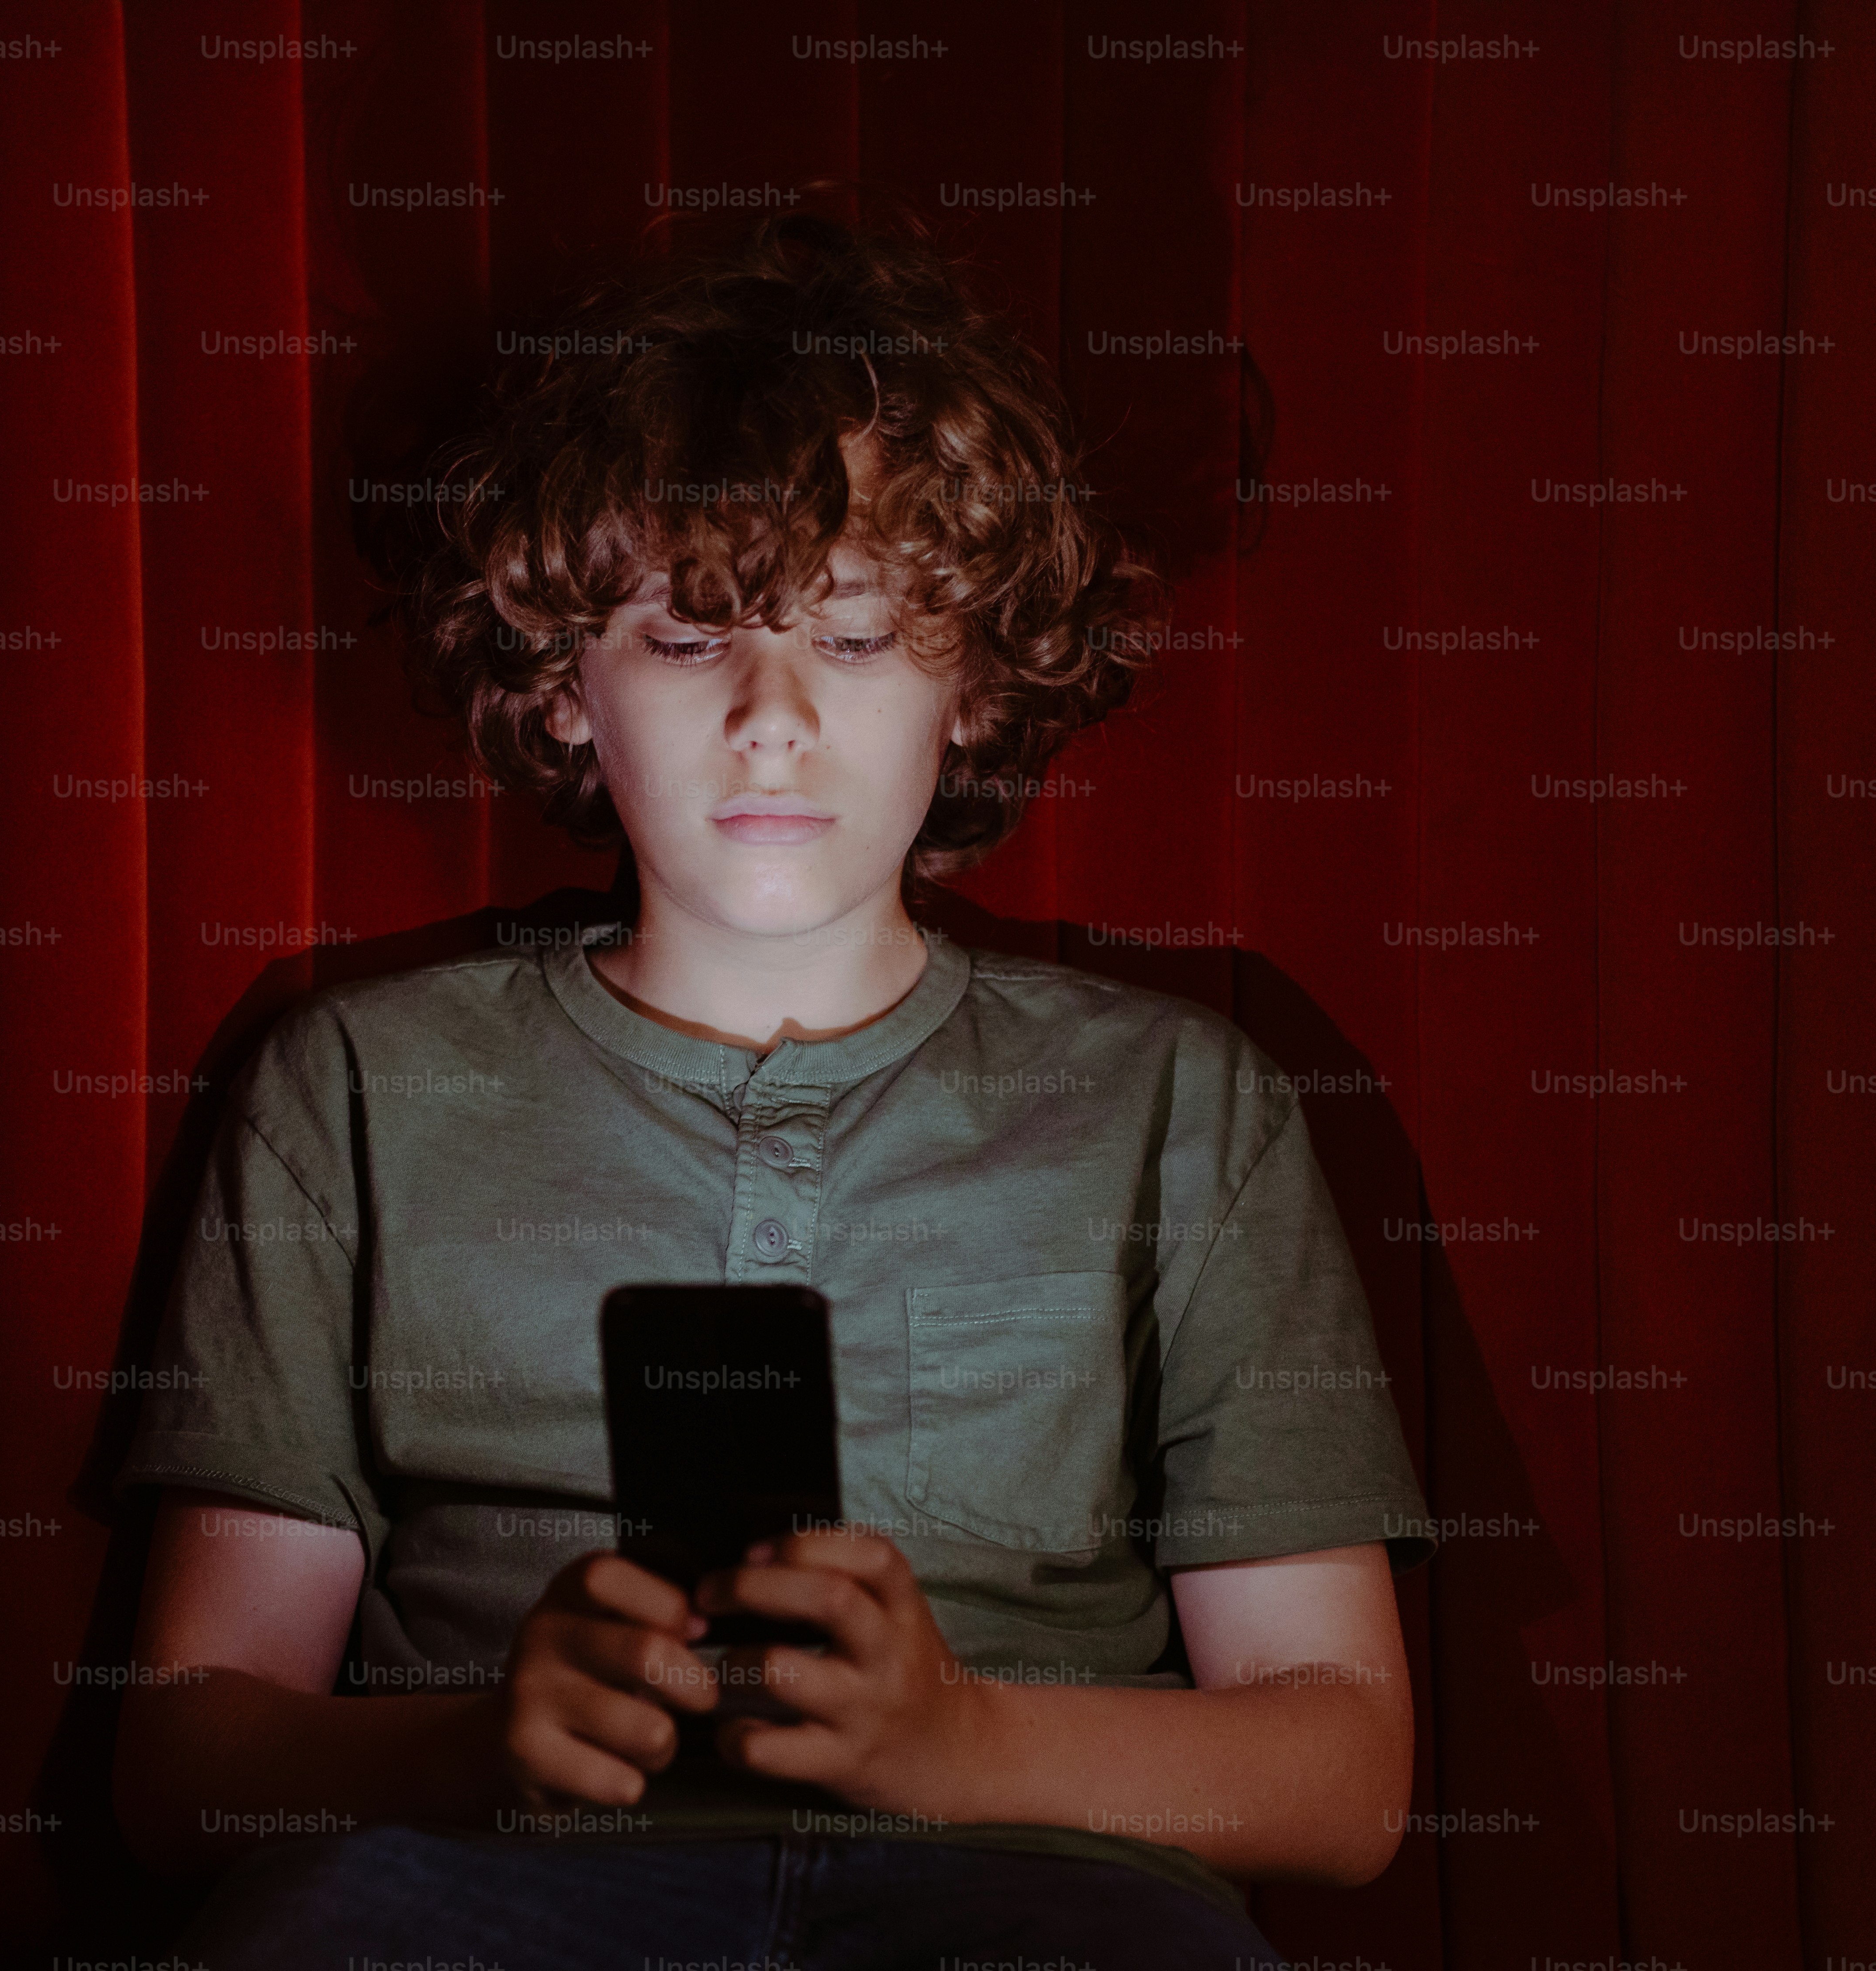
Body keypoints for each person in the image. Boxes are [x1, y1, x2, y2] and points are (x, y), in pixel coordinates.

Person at [108, 210, 1434, 1969]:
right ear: (564, 684)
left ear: (972, 685)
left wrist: (961, 1743)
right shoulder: (357, 1082)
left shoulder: (1183, 1105)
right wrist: (477, 1742)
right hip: (467, 1891)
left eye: (864, 637)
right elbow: (190, 1745)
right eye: (685, 637)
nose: (773, 717)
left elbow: (1343, 1771)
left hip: (1036, 1895)